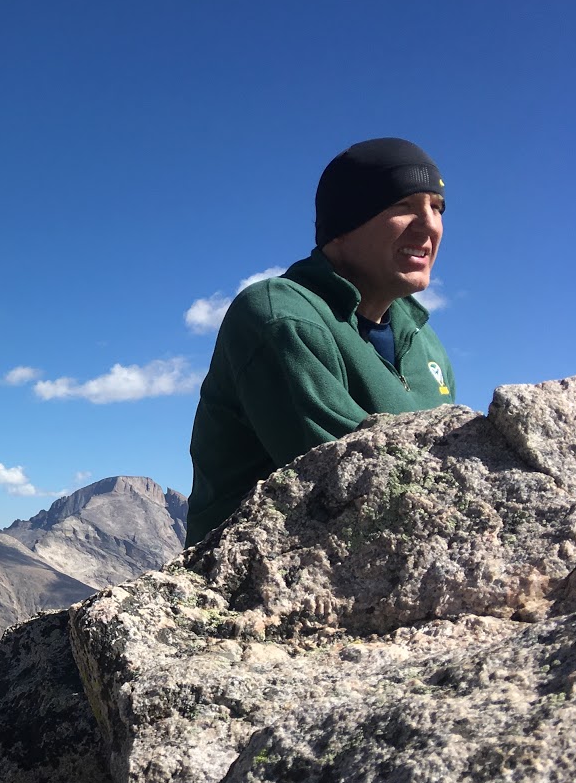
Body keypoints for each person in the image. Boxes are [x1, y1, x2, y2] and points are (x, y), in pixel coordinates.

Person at [185, 138, 456, 546]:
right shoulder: (279, 315)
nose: (429, 224)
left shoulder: (424, 342)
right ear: (344, 225)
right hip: (266, 585)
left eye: (437, 208)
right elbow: (351, 484)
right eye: (404, 206)